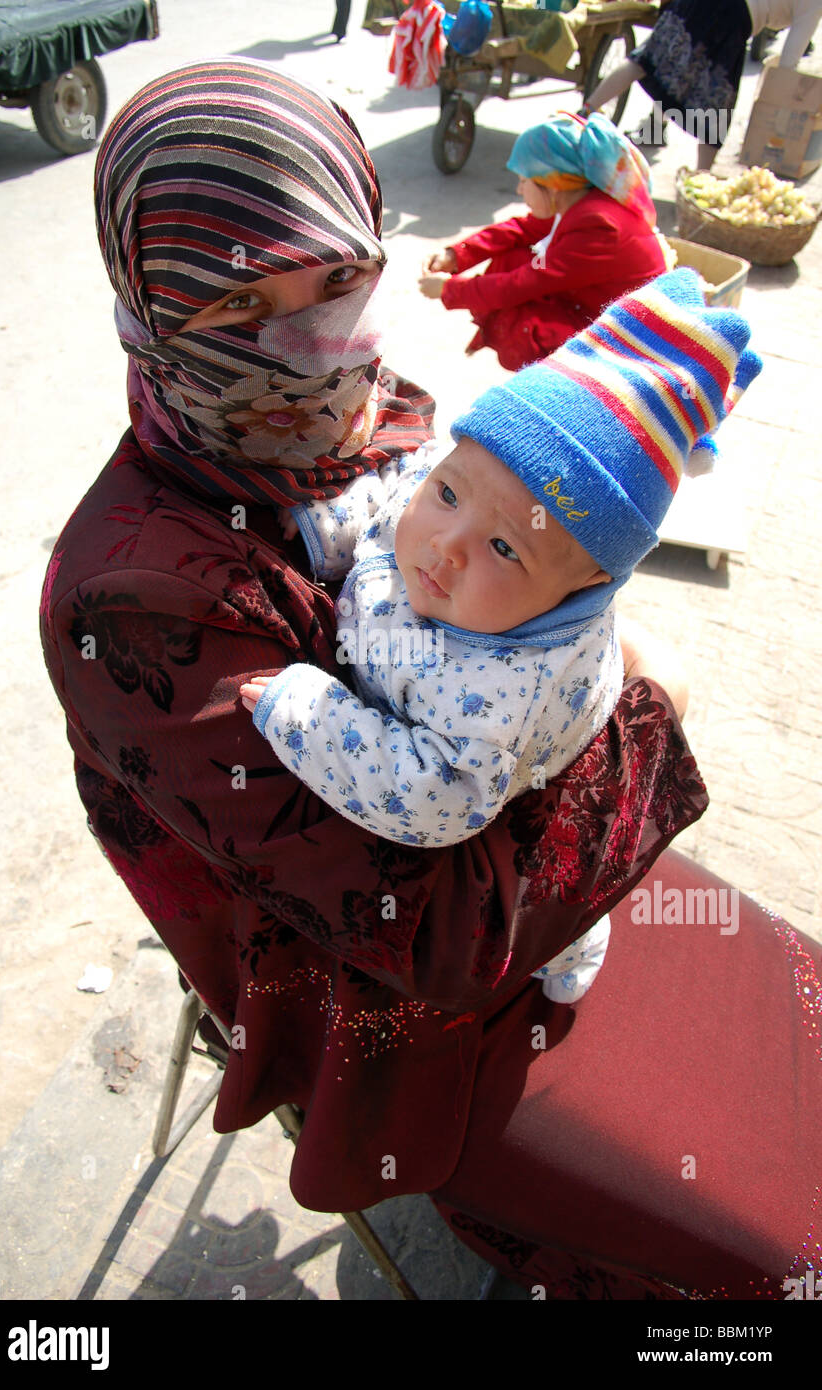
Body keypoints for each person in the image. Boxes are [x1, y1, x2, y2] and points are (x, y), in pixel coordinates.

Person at [40, 60, 821, 1299]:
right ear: (154, 301)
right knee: (757, 1257)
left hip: (539, 872)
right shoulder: (138, 600)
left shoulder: (366, 404)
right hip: (377, 995)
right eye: (252, 312)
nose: (320, 349)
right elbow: (433, 934)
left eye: (344, 281)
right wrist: (643, 709)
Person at [240, 268, 761, 1006]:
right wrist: (322, 530)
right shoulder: (460, 503)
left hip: (517, 784)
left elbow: (433, 799)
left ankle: (577, 943)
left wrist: (311, 714)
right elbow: (398, 495)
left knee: (550, 851)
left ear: (582, 588)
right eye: (450, 492)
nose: (446, 544)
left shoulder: (500, 697)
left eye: (506, 549)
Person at [418, 112, 669, 371]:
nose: (518, 190)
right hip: (604, 307)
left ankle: (558, 385)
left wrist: (449, 290)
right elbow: (521, 229)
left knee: (518, 311)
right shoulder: (580, 199)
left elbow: (524, 283)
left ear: (553, 184)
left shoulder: (597, 224)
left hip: (630, 341)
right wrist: (456, 255)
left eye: (524, 181)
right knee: (510, 257)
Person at [583, 0, 822, 172]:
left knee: (646, 59)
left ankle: (585, 112)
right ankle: (702, 177)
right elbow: (788, 62)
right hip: (732, 16)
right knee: (717, 107)